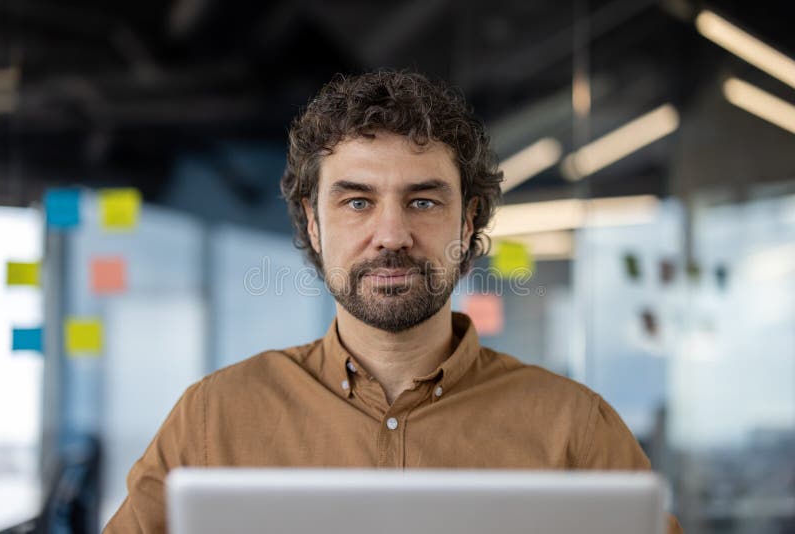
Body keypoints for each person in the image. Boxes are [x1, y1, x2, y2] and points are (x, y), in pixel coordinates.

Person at [105, 70, 682, 533]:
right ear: (312, 221)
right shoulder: (214, 418)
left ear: (468, 218)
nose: (391, 234)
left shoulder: (575, 430)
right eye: (357, 202)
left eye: (424, 202)